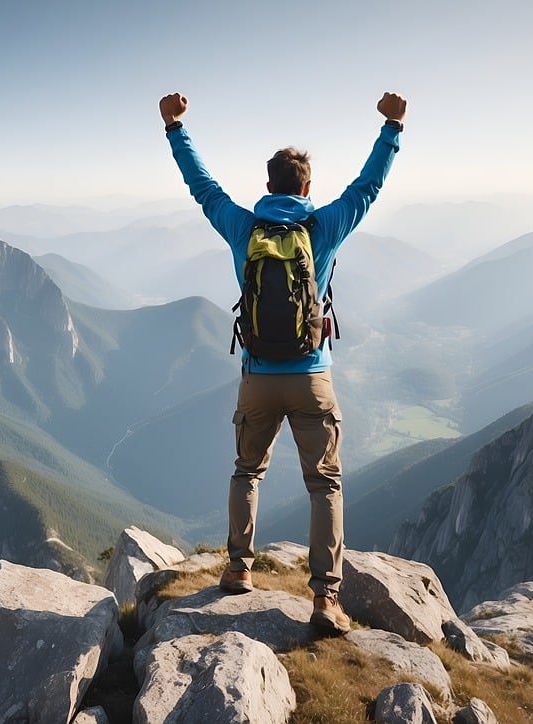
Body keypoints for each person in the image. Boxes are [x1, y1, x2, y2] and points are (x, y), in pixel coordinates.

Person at [159, 91, 406, 634]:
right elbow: (367, 188)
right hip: (312, 376)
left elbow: (204, 189)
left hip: (257, 378)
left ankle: (238, 569)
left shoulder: (243, 228)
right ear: (307, 189)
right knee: (325, 484)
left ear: (268, 187)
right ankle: (325, 599)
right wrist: (391, 128)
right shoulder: (324, 228)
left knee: (247, 471)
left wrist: (176, 128)